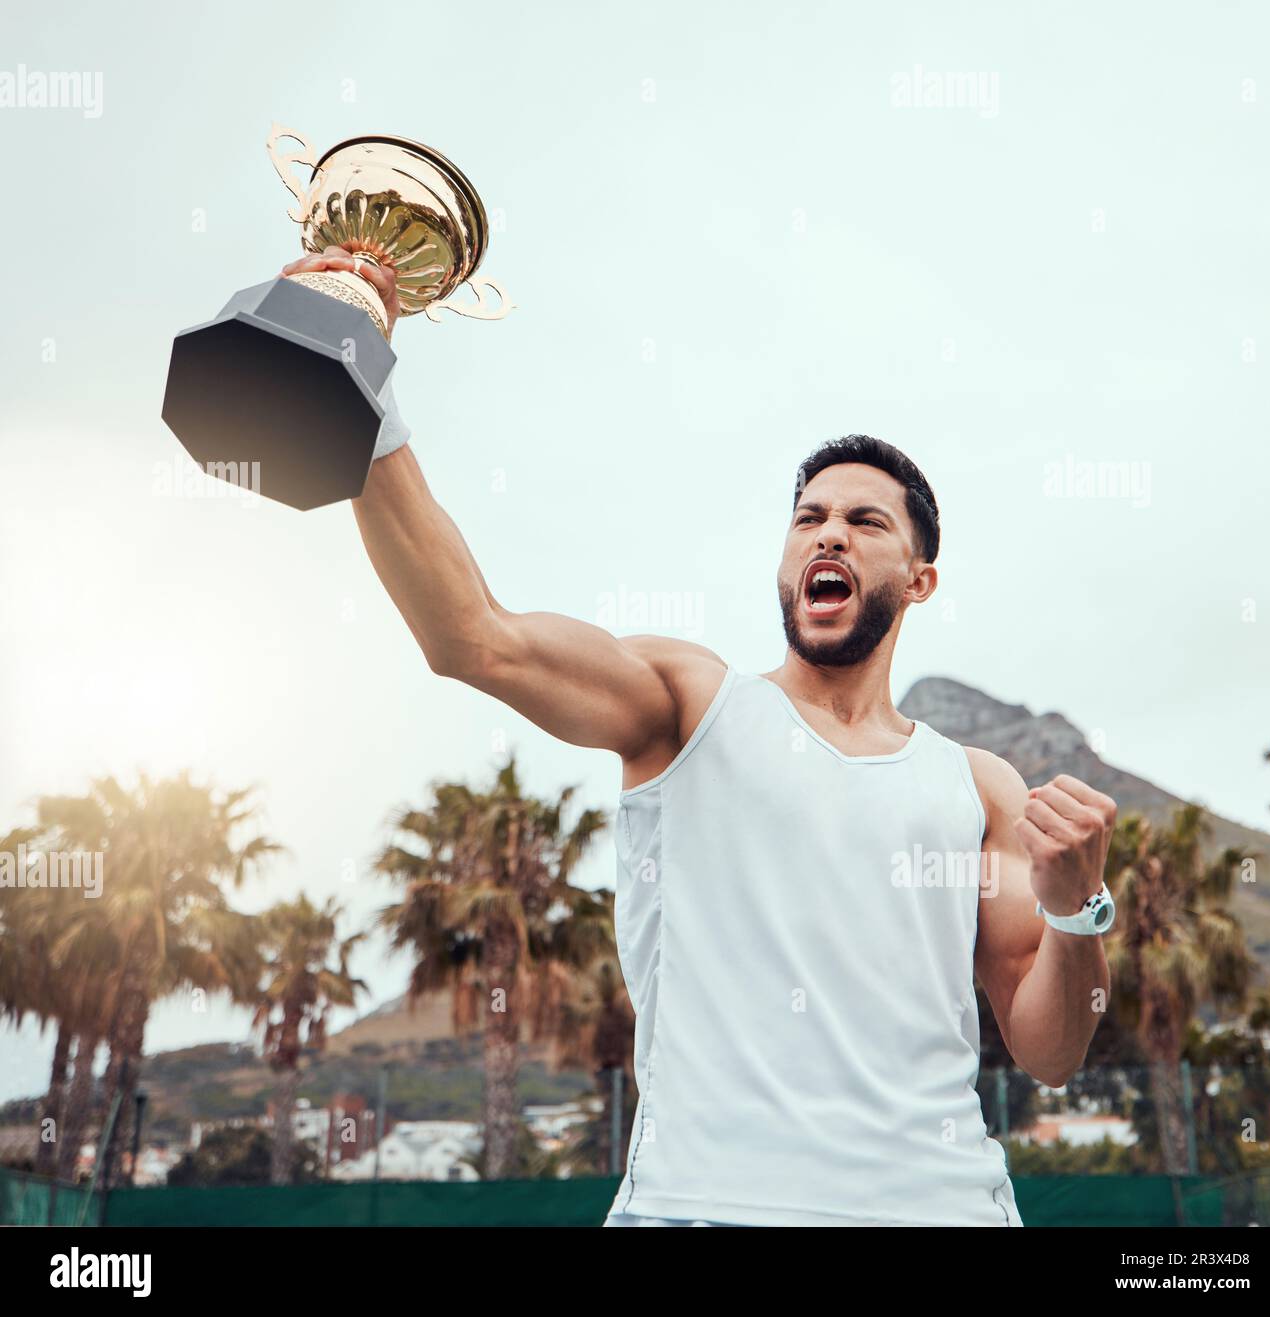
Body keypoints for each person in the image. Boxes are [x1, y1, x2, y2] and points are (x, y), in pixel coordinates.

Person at [280, 247, 1117, 1227]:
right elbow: (475, 640)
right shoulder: (689, 704)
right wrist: (355, 377)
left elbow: (1051, 1054)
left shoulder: (979, 788)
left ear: (919, 577)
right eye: (807, 518)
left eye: (863, 521)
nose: (827, 535)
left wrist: (1076, 914)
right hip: (704, 1208)